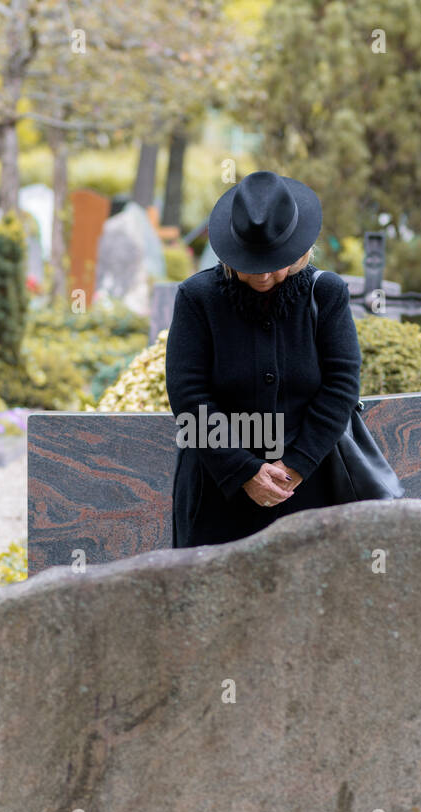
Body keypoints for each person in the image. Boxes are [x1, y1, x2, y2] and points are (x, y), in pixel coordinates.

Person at [166, 170, 361, 547]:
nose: (266, 274)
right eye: (253, 262)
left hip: (310, 490)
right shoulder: (198, 297)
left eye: (277, 260)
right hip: (218, 491)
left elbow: (342, 386)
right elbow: (188, 394)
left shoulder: (327, 295)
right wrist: (243, 471)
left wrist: (296, 466)